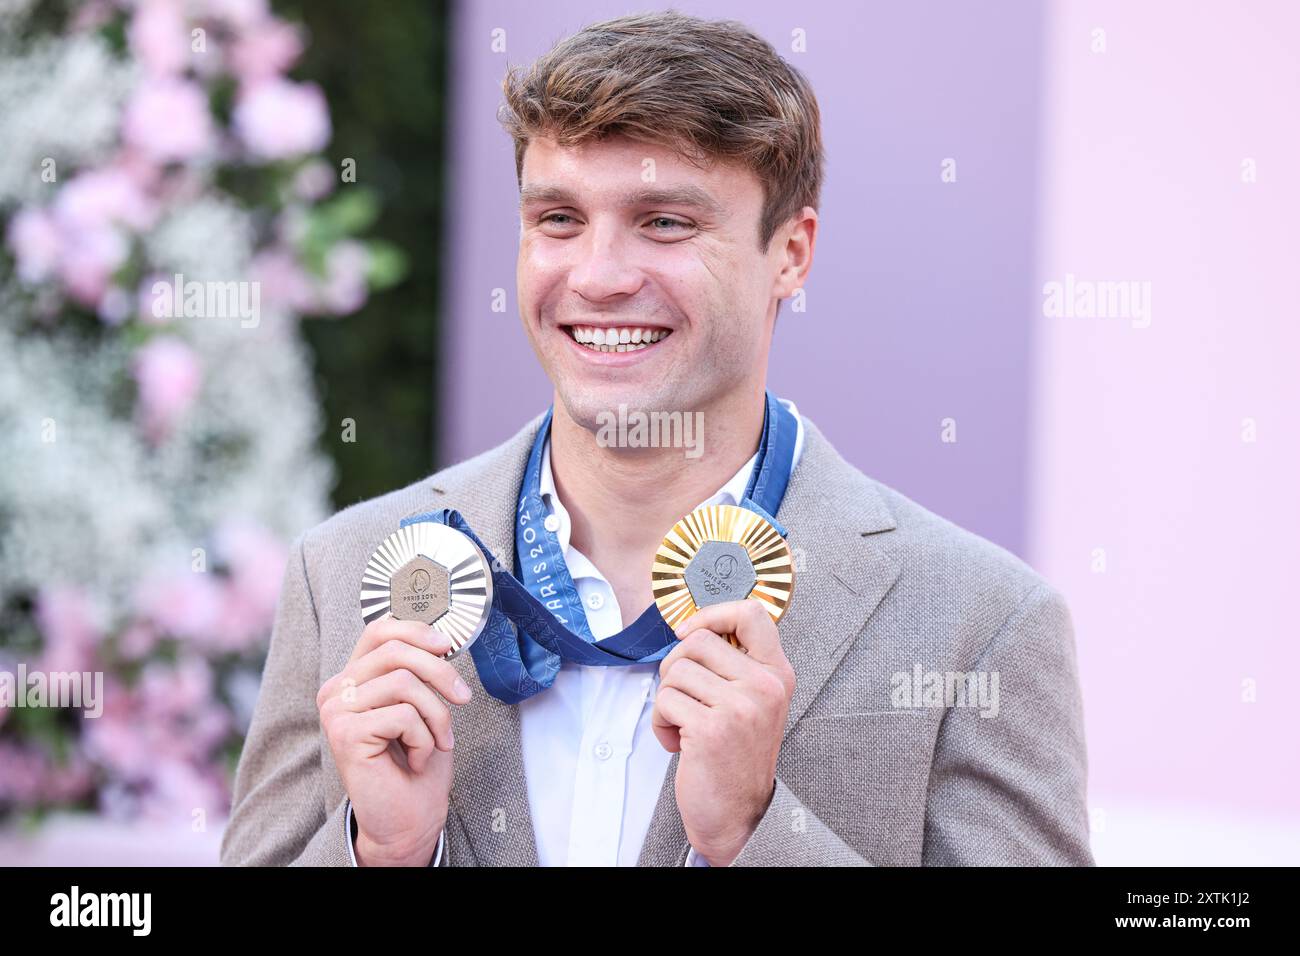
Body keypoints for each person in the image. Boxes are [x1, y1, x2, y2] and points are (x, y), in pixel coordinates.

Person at [220, 11, 1092, 867]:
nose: (597, 277)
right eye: (558, 219)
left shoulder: (982, 622)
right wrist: (386, 854)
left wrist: (755, 836)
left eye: (665, 222)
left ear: (791, 252)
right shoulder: (342, 573)